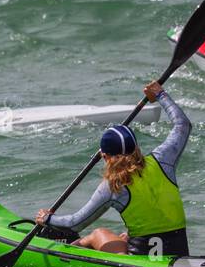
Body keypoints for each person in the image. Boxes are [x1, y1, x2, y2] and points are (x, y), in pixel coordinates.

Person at [35, 81, 192, 257]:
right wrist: (160, 95)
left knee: (98, 233)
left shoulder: (113, 185)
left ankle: (65, 255)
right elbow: (182, 125)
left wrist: (47, 219)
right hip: (179, 254)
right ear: (136, 147)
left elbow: (75, 224)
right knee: (124, 236)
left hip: (141, 261)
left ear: (104, 156)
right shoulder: (163, 160)